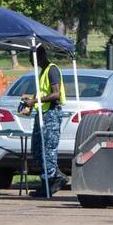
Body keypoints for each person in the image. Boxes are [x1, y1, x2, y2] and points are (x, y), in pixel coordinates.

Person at [22, 47, 67, 198]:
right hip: (42, 113)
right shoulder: (43, 72)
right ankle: (57, 176)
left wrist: (34, 100)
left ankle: (47, 185)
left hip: (51, 114)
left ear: (39, 56)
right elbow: (43, 92)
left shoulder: (52, 70)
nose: (29, 60)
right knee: (37, 150)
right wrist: (30, 104)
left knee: (48, 149)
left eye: (31, 57)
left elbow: (56, 94)